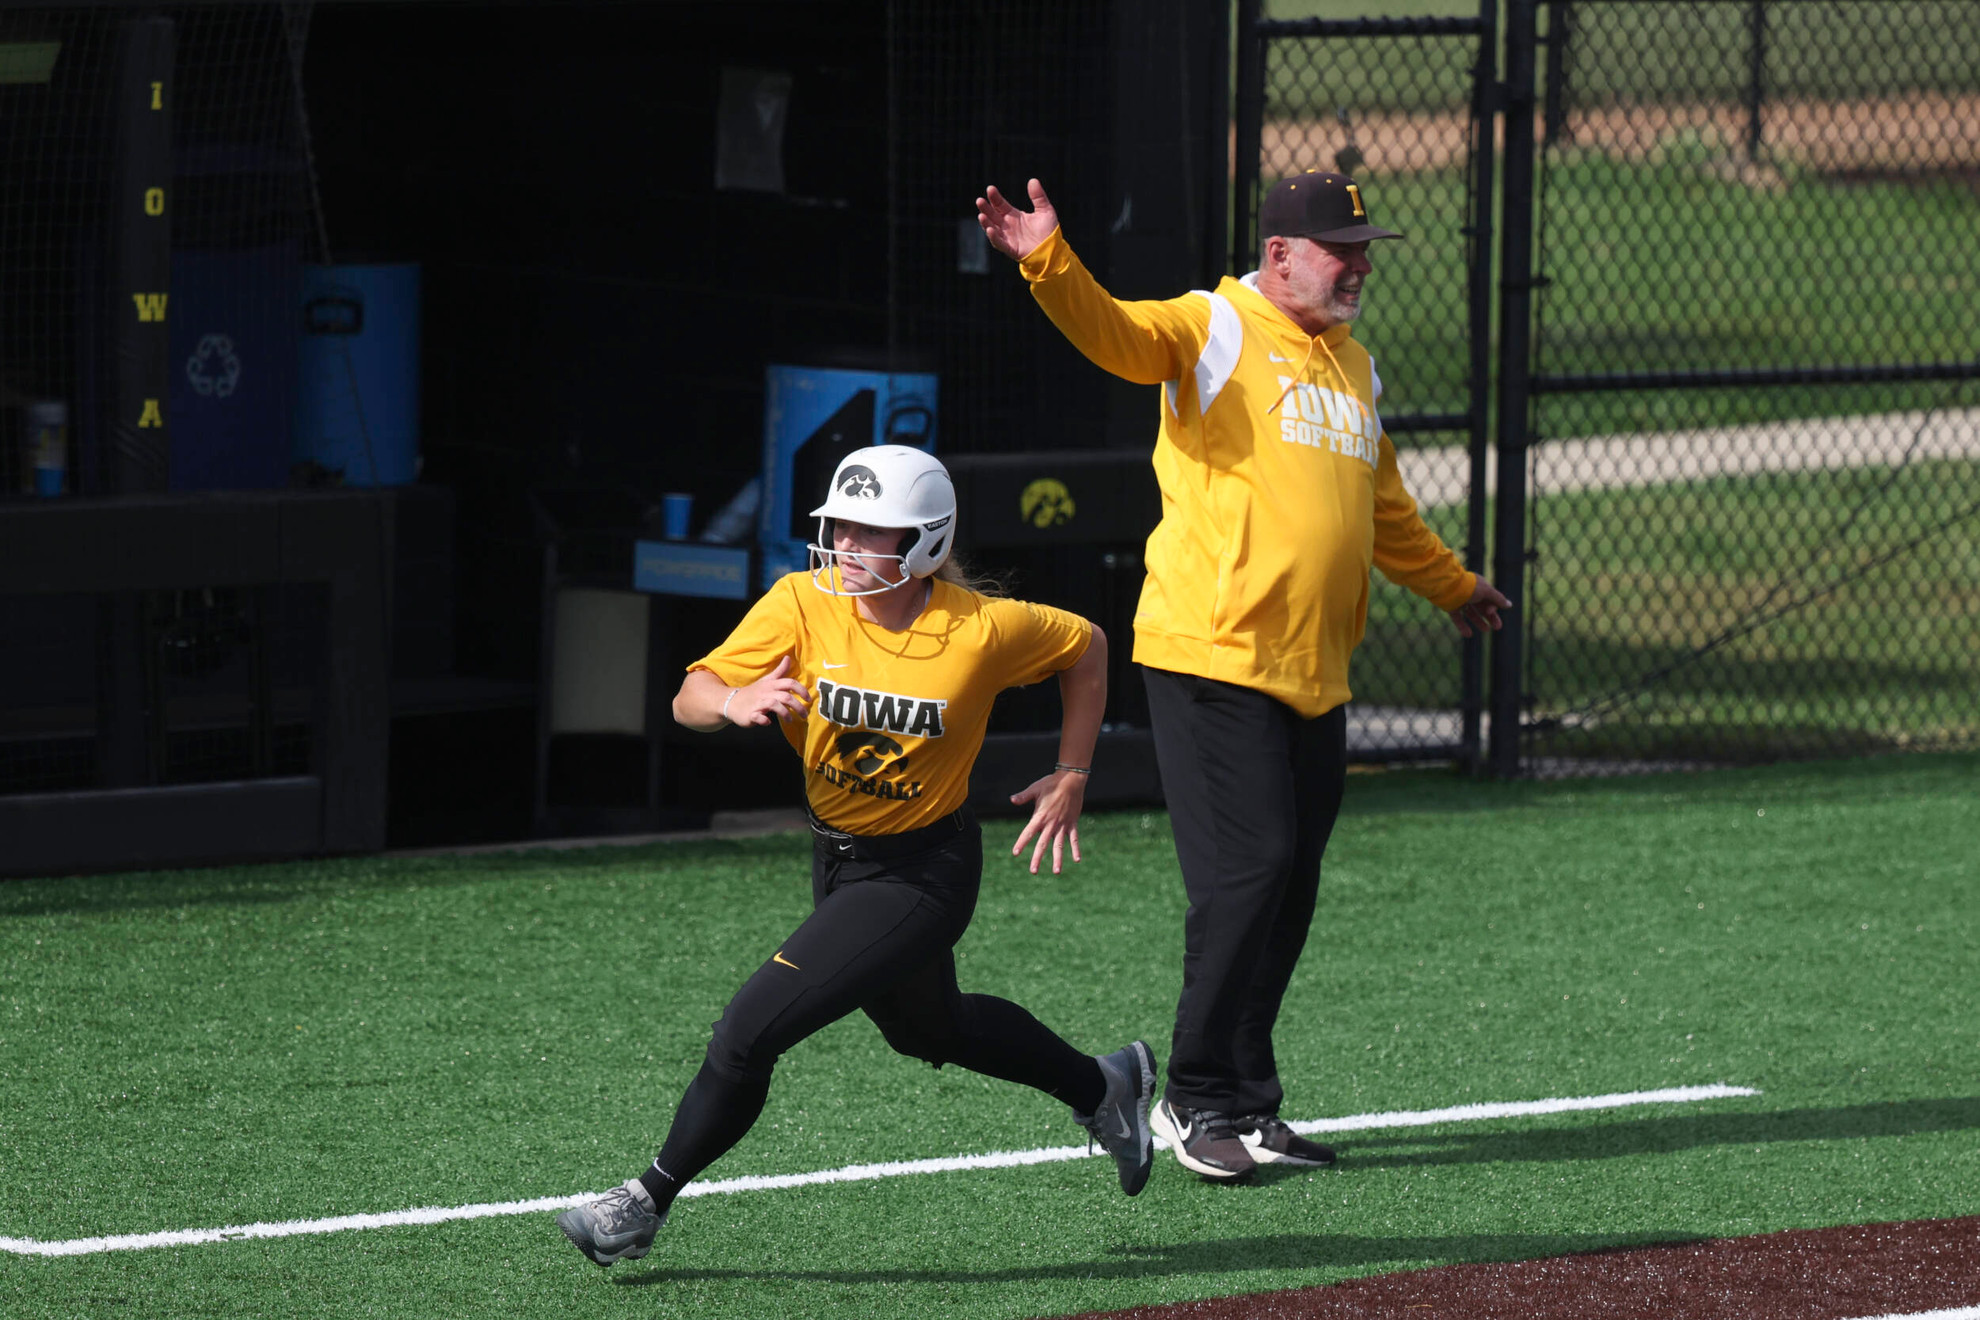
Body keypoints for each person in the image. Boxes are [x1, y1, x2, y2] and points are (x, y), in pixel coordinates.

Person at [976, 171, 1509, 1181]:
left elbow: (1384, 510)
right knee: (1250, 870)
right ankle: (1194, 1098)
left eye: (1363, 250)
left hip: (1314, 670)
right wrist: (1048, 261)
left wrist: (1452, 586)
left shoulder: (1356, 368)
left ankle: (1249, 1103)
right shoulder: (1214, 325)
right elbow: (1118, 337)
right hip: (1210, 654)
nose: (1357, 266)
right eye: (1340, 249)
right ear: (1279, 254)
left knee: (1289, 887)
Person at [556, 443, 1157, 1268]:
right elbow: (689, 697)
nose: (844, 543)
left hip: (923, 874)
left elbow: (1087, 647)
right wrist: (733, 698)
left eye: (869, 531)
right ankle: (1105, 1085)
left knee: (745, 1033)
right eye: (839, 525)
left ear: (925, 541)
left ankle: (641, 1204)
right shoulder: (801, 601)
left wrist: (1073, 771)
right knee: (931, 1030)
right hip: (839, 860)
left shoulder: (981, 628)